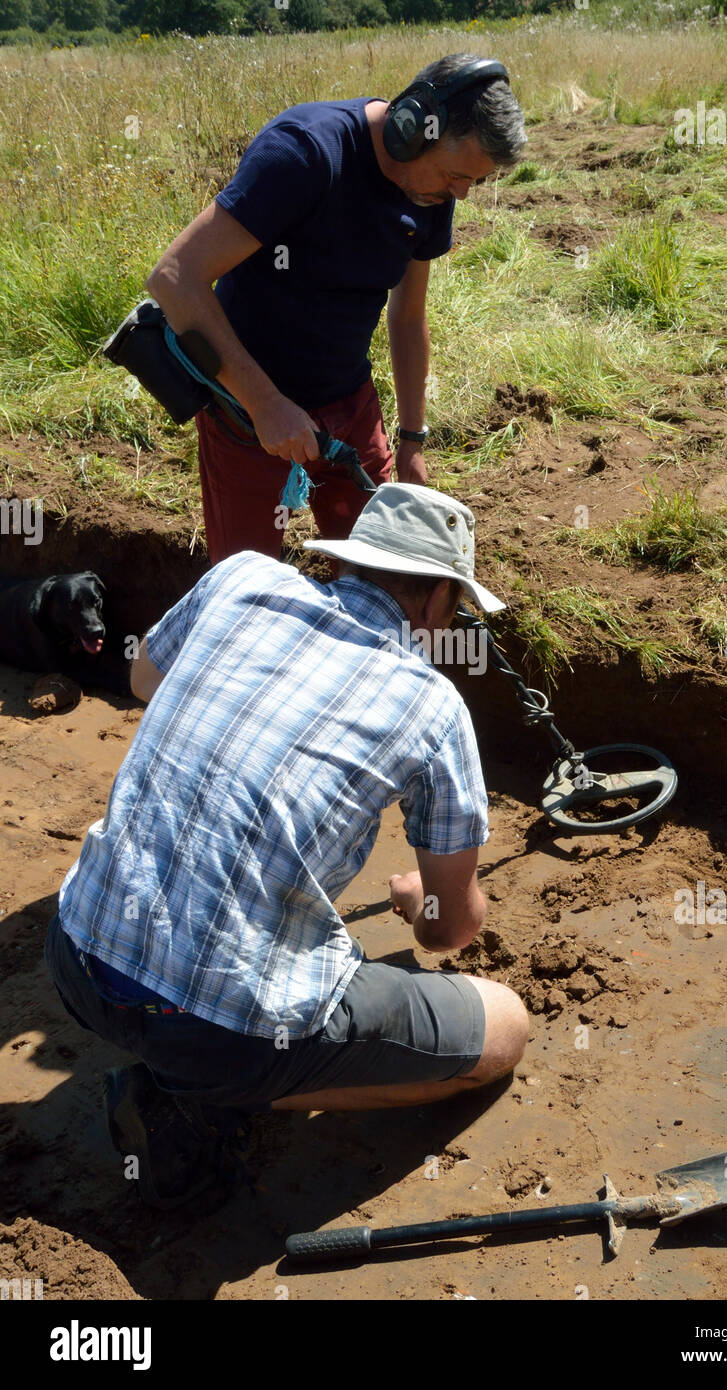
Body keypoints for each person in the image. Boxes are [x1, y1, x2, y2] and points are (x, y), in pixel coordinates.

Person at [44, 483, 529, 1210]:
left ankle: (190, 1063)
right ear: (434, 603)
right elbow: (452, 932)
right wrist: (416, 902)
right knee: (505, 1027)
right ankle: (201, 1097)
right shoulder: (432, 707)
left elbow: (144, 676)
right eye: (452, 608)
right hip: (224, 1034)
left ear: (351, 561)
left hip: (76, 958)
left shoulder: (242, 577)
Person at [144, 52, 526, 562]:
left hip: (350, 407)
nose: (462, 193)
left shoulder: (432, 193)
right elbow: (174, 278)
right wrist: (266, 405)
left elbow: (408, 318)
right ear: (413, 128)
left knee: (382, 573)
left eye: (474, 182)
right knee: (243, 585)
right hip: (244, 412)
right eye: (457, 175)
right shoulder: (305, 154)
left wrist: (411, 441)